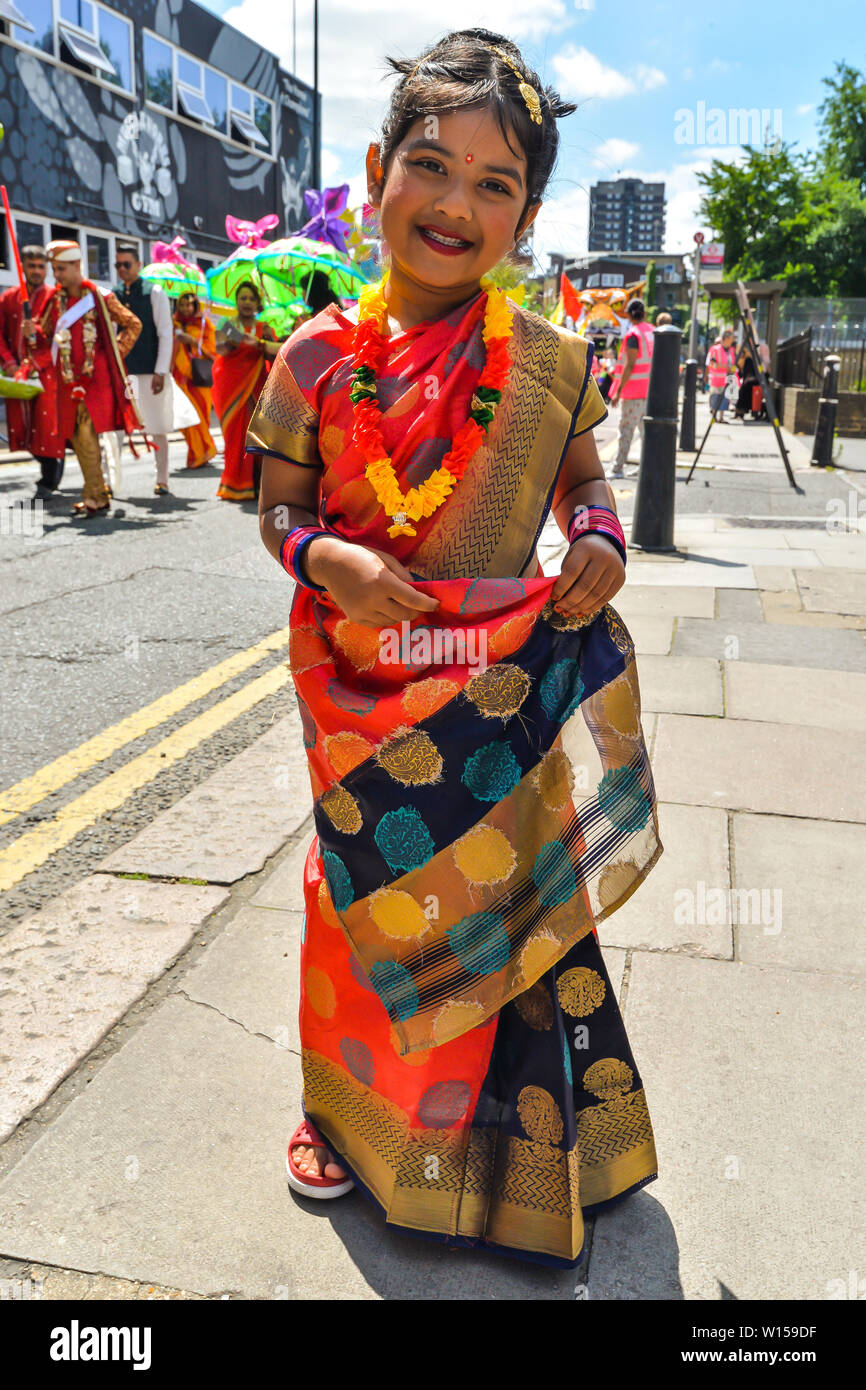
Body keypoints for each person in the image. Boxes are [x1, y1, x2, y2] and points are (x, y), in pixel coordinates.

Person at [250, 27, 662, 1270]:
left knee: (509, 909)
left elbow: (586, 487)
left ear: (525, 215)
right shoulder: (309, 357)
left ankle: (508, 1152)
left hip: (499, 685)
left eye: (494, 185)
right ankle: (350, 1117)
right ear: (379, 168)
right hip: (357, 686)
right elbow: (278, 506)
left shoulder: (545, 362)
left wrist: (595, 537)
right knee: (356, 908)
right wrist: (323, 560)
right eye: (432, 165)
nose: (455, 204)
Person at [38, 241, 141, 517]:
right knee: (78, 437)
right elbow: (44, 333)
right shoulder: (54, 299)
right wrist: (29, 331)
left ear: (76, 265)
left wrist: (111, 356)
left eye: (61, 268)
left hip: (95, 383)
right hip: (67, 381)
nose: (56, 274)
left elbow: (133, 324)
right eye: (54, 268)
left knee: (84, 434)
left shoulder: (100, 296)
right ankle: (97, 492)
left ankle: (95, 495)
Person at [107, 245, 175, 496]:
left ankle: (162, 479)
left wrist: (161, 371)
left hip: (150, 370)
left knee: (156, 426)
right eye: (118, 265)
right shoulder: (111, 295)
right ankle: (110, 482)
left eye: (127, 264)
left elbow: (165, 333)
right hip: (124, 373)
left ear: (138, 265)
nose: (122, 270)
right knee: (117, 429)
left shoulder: (154, 292)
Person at [0, 244, 65, 499]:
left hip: (47, 373)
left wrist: (35, 334)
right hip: (17, 375)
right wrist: (9, 363)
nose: (37, 271)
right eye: (32, 266)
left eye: (41, 266)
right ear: (22, 267)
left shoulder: (55, 297)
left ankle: (49, 476)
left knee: (47, 425)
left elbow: (60, 335)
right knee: (23, 428)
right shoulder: (9, 298)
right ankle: (49, 466)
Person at [212, 280, 278, 501]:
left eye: (251, 298)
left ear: (257, 302)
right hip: (230, 387)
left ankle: (257, 484)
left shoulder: (264, 327)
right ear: (237, 301)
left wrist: (262, 342)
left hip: (257, 386)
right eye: (243, 298)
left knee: (257, 434)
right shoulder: (226, 325)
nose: (247, 303)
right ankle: (234, 483)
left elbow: (274, 356)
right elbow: (219, 349)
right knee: (234, 436)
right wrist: (232, 342)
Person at [607, 297, 654, 478]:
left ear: (629, 315)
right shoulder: (651, 331)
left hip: (633, 391)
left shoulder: (633, 335)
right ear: (644, 313)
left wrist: (618, 391)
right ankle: (647, 468)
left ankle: (617, 468)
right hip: (649, 390)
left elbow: (630, 364)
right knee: (645, 433)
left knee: (626, 430)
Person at [171, 293, 217, 468]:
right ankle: (199, 451)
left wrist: (192, 340)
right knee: (184, 417)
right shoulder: (173, 325)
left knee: (201, 417)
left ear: (195, 306)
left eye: (189, 305)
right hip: (180, 378)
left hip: (200, 378)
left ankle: (201, 452)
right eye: (181, 305)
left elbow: (213, 351)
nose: (185, 308)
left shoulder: (206, 326)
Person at [706, 328, 738, 423]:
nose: (732, 341)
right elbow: (711, 363)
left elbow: (733, 362)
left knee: (725, 398)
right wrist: (725, 367)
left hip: (727, 378)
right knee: (716, 397)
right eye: (731, 339)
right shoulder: (715, 349)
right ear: (725, 339)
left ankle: (721, 417)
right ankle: (714, 415)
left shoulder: (732, 350)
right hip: (717, 378)